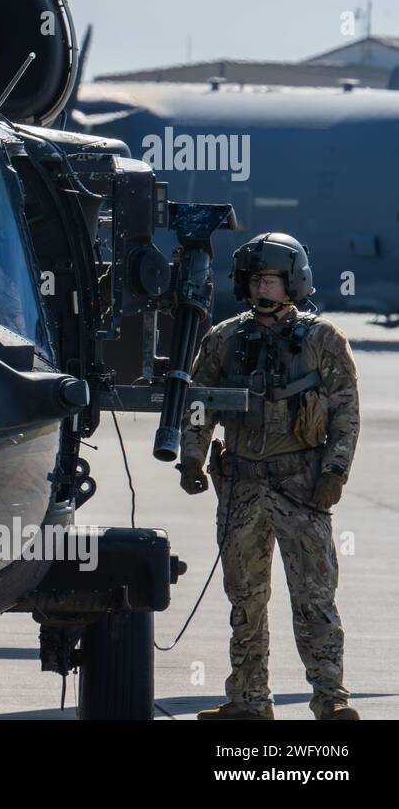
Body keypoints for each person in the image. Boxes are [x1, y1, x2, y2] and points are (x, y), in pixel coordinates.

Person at [179, 233, 361, 720]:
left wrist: (335, 472)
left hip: (302, 488)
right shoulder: (223, 339)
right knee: (245, 601)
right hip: (241, 488)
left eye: (273, 281)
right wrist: (191, 459)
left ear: (293, 283)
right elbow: (198, 404)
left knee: (315, 601)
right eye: (257, 279)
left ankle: (330, 700)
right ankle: (248, 701)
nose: (264, 289)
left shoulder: (323, 340)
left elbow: (345, 410)